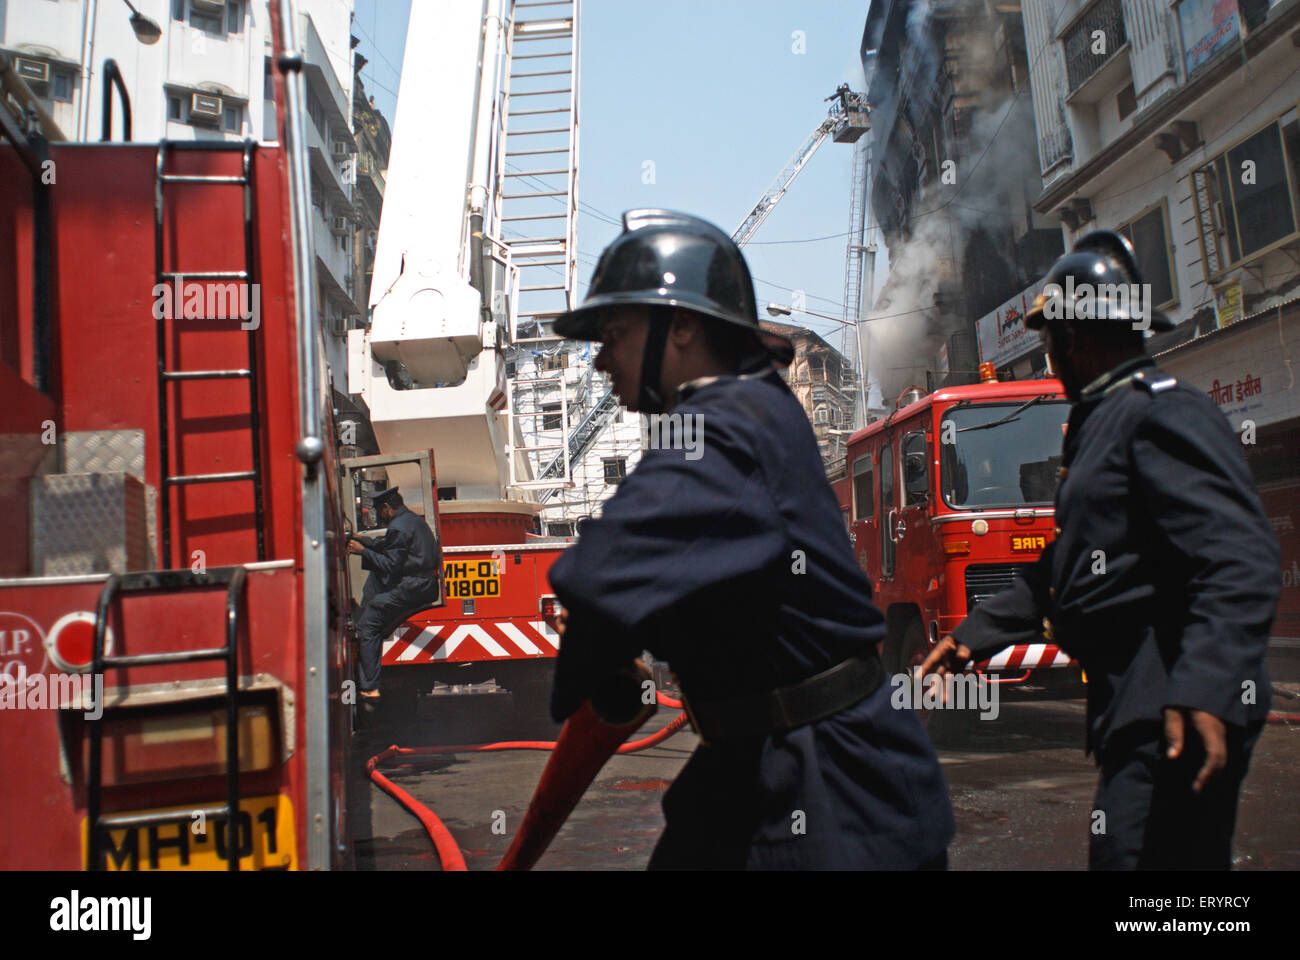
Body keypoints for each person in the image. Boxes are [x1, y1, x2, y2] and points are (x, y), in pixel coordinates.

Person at [545, 209, 954, 870]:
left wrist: (603, 634)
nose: (599, 358)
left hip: (832, 796)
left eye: (614, 333)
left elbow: (599, 573)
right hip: (760, 765)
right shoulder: (749, 408)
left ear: (681, 328)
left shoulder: (727, 423)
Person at [922, 229, 1279, 870]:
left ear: (1075, 337)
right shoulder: (1100, 422)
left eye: (1049, 340)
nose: (1048, 355)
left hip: (1173, 709)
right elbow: (1067, 565)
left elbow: (1239, 557)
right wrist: (974, 635)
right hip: (1135, 706)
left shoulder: (1162, 414)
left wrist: (1206, 687)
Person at [348, 486, 441, 701]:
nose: (379, 516)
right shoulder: (412, 520)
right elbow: (391, 547)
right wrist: (365, 542)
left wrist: (362, 552)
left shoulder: (398, 526)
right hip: (422, 583)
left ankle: (369, 688)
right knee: (375, 592)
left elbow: (390, 564)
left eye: (379, 511)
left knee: (367, 626)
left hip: (412, 587)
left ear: (387, 508)